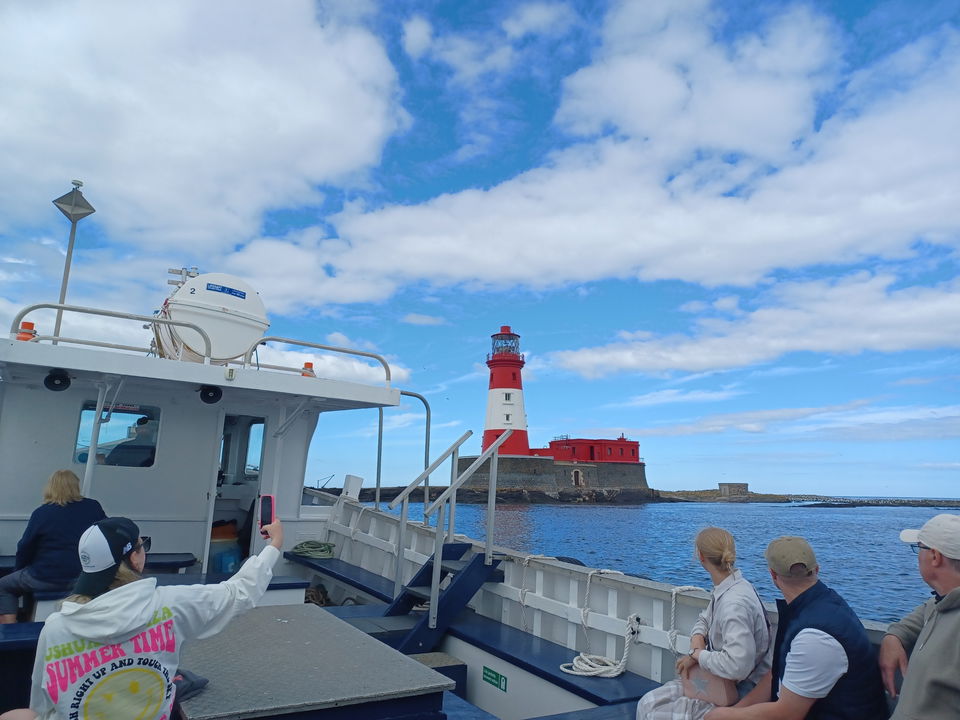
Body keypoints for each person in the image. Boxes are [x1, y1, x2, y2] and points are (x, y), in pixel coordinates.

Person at [1, 515, 282, 720]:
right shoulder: (169, 606)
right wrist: (273, 546)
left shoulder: (56, 626)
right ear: (134, 559)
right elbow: (238, 593)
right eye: (141, 544)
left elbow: (42, 703)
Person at [705, 536, 887, 720]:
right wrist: (737, 709)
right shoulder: (822, 605)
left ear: (773, 575)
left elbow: (788, 714)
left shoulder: (815, 635)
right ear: (816, 569)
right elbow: (777, 675)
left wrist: (725, 716)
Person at [637, 527, 771, 719]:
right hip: (717, 680)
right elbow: (705, 618)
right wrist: (698, 638)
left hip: (737, 691)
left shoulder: (734, 604)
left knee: (651, 711)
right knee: (648, 702)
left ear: (700, 557)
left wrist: (698, 655)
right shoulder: (731, 587)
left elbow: (738, 666)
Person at [879, 513, 960, 719]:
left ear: (935, 556)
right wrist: (894, 636)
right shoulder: (942, 601)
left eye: (919, 548)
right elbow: (928, 608)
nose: (917, 556)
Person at [0, 470, 105, 623]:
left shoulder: (42, 513)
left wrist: (19, 569)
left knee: (3, 586)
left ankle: (9, 631)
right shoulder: (93, 507)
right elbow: (106, 535)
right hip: (82, 576)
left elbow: (25, 546)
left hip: (45, 577)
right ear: (75, 486)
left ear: (50, 487)